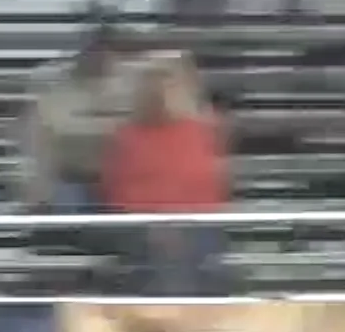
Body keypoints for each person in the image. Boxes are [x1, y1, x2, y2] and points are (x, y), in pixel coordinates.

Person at [100, 51, 231, 294]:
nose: (161, 90)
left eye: (169, 81)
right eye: (153, 82)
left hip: (200, 223)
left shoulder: (205, 128)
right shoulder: (127, 135)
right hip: (146, 228)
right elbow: (118, 188)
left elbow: (208, 182)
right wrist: (157, 222)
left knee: (198, 271)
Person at [18, 23, 141, 214]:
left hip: (125, 180)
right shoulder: (54, 85)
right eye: (93, 49)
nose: (100, 56)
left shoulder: (136, 83)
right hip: (71, 179)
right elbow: (39, 142)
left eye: (106, 50)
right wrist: (37, 195)